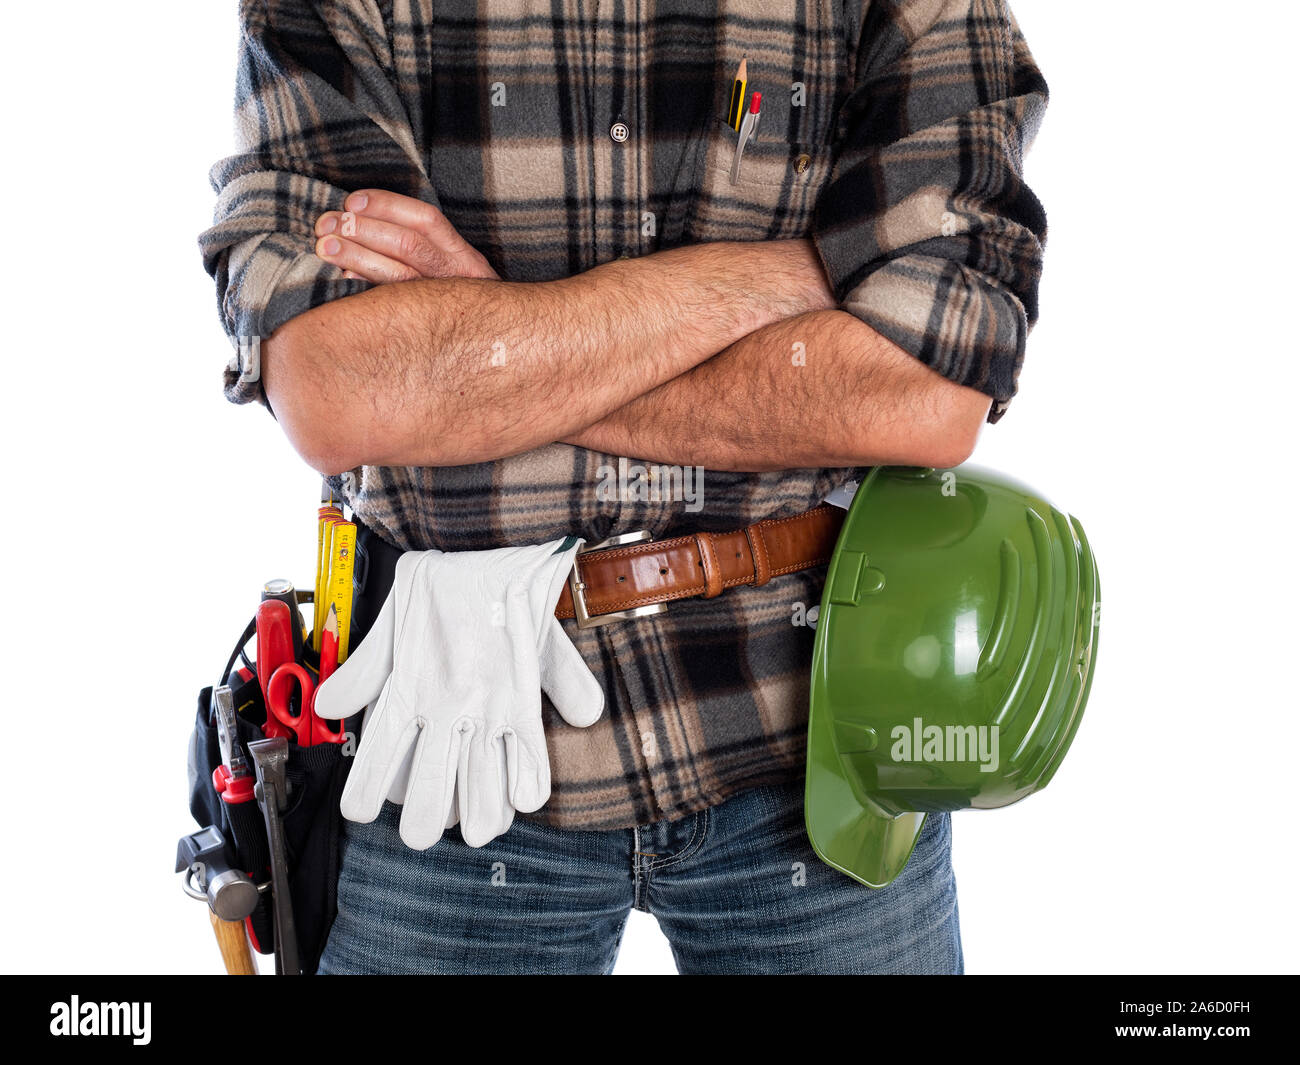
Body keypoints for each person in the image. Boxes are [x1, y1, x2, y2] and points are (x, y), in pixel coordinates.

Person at [200, 0, 1048, 975]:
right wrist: (778, 279)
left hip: (812, 713)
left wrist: (490, 336)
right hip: (450, 727)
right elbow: (339, 388)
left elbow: (927, 391)